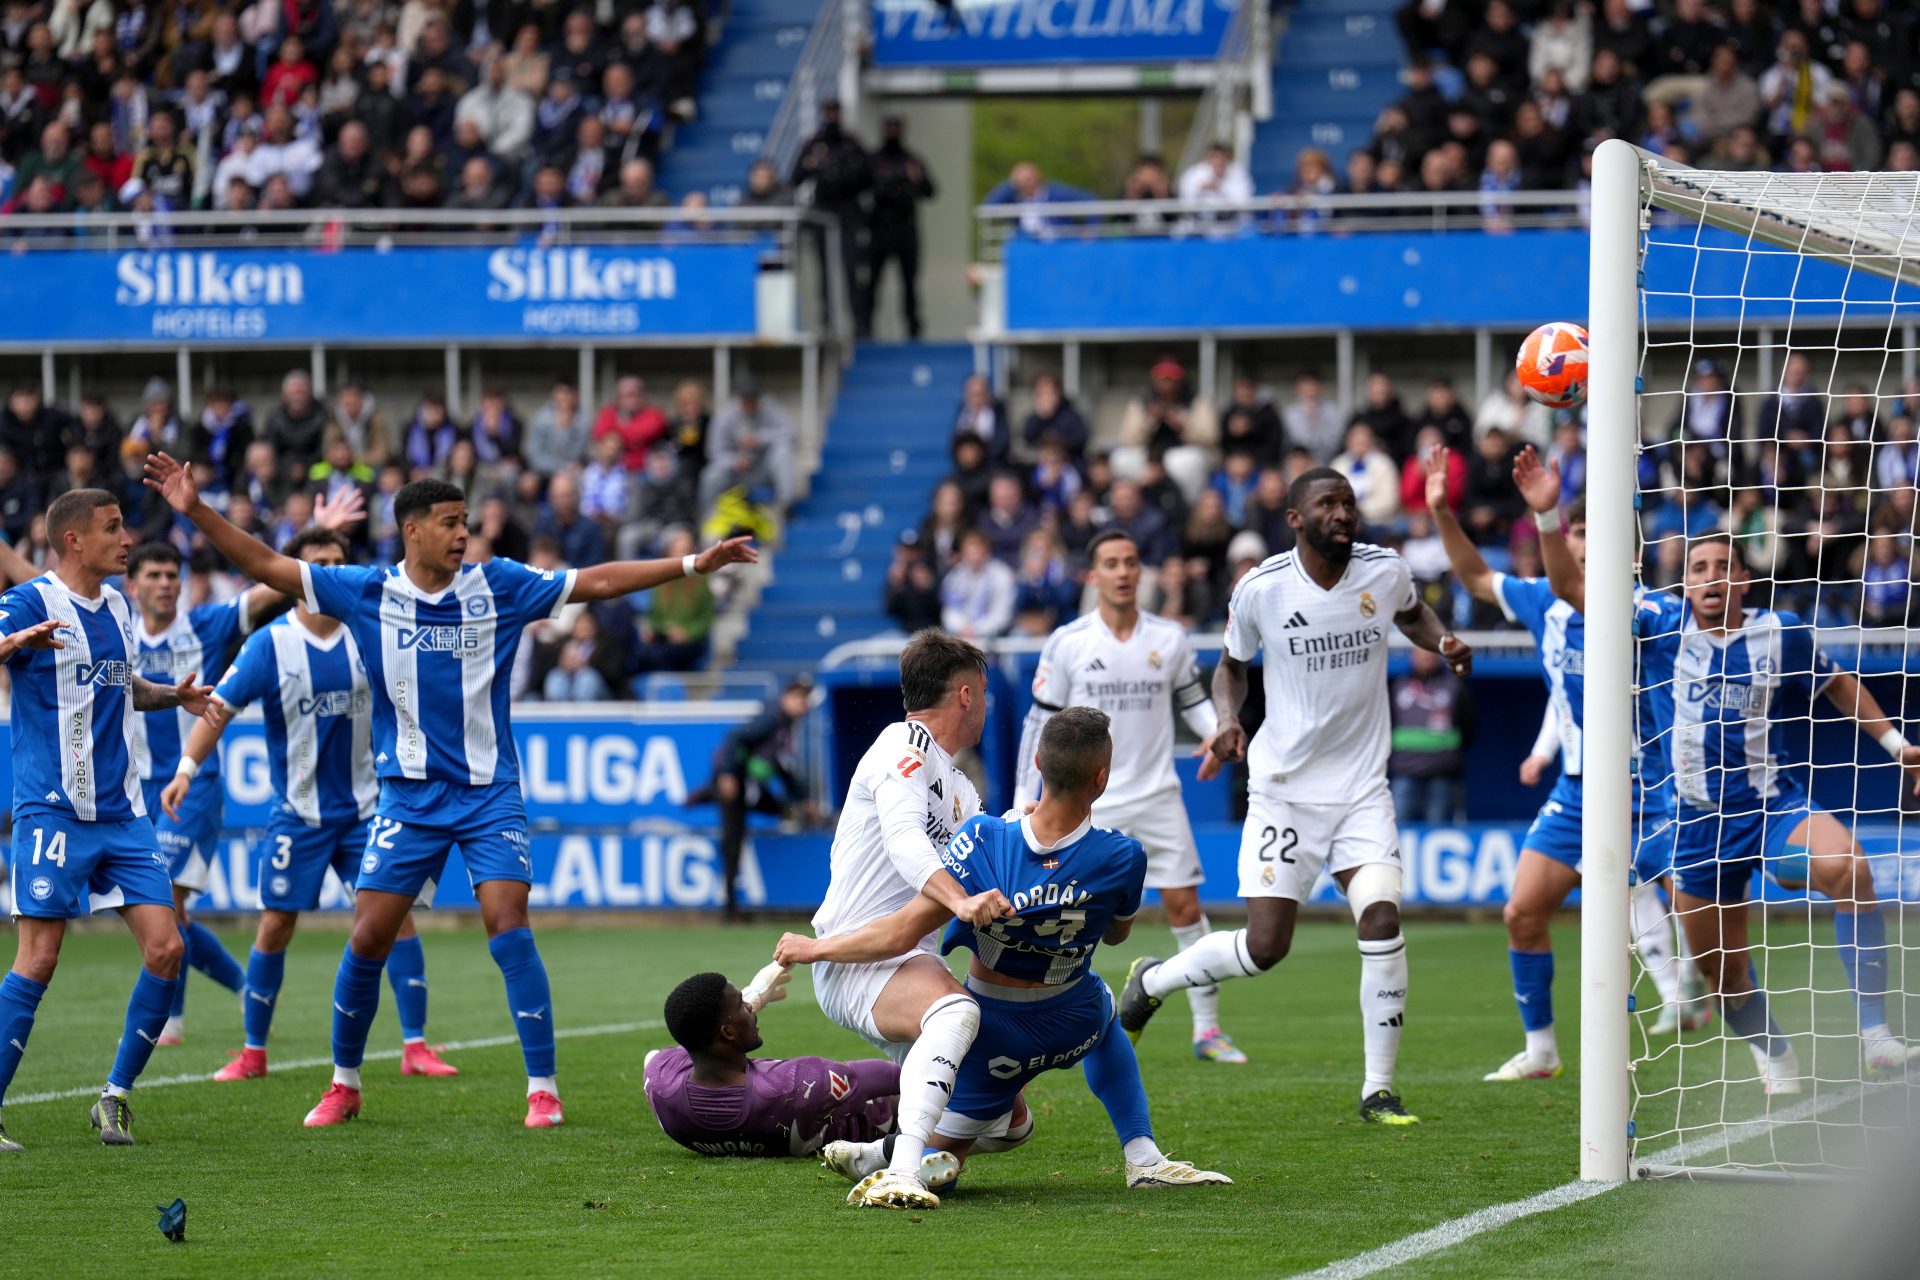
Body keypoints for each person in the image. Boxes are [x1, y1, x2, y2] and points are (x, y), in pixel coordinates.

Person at [141, 453, 758, 1130]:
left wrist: (694, 564)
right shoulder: (366, 591)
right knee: (369, 935)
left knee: (507, 924)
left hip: (489, 791)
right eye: (450, 523)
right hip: (407, 798)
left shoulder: (501, 585)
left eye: (466, 522)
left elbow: (598, 581)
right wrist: (194, 509)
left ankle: (543, 1088)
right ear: (413, 531)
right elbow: (266, 566)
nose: (464, 534)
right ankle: (344, 1083)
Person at [1117, 468, 1472, 1125]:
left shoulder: (1383, 570)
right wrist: (1227, 721)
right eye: (1327, 504)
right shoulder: (1262, 588)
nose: (1343, 512)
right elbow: (1230, 666)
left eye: (1348, 502)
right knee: (1265, 948)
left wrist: (1442, 639)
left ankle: (1378, 1089)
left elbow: (1414, 613)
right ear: (1297, 519)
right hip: (1284, 792)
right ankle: (1152, 981)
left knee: (1382, 917)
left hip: (1363, 788)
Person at [777, 707, 1232, 1196]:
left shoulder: (982, 841)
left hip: (994, 1038)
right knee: (1100, 1016)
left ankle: (882, 1155)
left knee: (946, 1162)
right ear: (1101, 779)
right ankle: (1143, 1156)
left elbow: (898, 934)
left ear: (1037, 762)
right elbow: (1118, 936)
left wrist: (816, 948)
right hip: (1074, 1020)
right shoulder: (1124, 856)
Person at [1543, 522, 1920, 1092]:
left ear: (1743, 578)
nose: (1712, 576)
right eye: (1699, 568)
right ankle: (1775, 1054)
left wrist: (1896, 745)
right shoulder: (1657, 624)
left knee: (1850, 867)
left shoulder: (1781, 635)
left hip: (1772, 813)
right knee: (1723, 974)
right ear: (1686, 585)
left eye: (1724, 565)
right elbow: (1572, 585)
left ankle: (1877, 1038)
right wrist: (1548, 519)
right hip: (1695, 830)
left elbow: (1837, 682)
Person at [1426, 449, 1698, 1081]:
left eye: (1587, 545)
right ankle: (1542, 1049)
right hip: (1578, 792)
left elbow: (1579, 588)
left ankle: (1766, 1047)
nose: (1575, 556)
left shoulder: (1651, 612)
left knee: (1709, 928)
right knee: (1522, 912)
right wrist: (1442, 512)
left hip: (1651, 790)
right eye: (1573, 542)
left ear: (1626, 558)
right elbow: (1471, 577)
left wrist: (1545, 518)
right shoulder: (1543, 603)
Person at [159, 528, 456, 1083]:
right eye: (318, 562)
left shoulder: (369, 635)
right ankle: (254, 1051)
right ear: (296, 572)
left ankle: (416, 1045)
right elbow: (217, 710)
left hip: (371, 811)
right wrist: (184, 770)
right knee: (275, 927)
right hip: (298, 814)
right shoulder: (270, 645)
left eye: (338, 561)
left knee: (396, 922)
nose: (330, 570)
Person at [0, 489, 212, 1150]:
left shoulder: (117, 605)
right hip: (53, 812)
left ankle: (113, 1100)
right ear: (72, 540)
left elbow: (126, 686)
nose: (127, 539)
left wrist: (170, 695)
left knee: (168, 946)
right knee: (37, 961)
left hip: (121, 815)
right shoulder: (33, 601)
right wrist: (10, 644)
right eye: (113, 529)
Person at [789, 629, 1015, 1209]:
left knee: (1005, 1120)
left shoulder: (964, 789)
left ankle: (874, 1154)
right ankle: (902, 1173)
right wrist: (961, 902)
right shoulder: (901, 746)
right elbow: (905, 840)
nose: (986, 706)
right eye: (984, 693)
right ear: (966, 696)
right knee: (956, 1010)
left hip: (907, 960)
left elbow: (988, 856)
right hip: (853, 958)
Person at [1015, 529, 1243, 1063]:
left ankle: (1207, 1030)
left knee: (1185, 906)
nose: (1122, 572)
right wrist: (1025, 795)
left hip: (1159, 793)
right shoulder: (1069, 643)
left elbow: (1192, 702)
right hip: (1093, 803)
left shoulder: (1170, 638)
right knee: (1065, 913)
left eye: (1131, 562)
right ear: (1093, 576)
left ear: (1141, 573)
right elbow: (1038, 726)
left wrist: (1216, 733)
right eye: (1111, 564)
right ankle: (1052, 1025)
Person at [642, 965, 936, 1164]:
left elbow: (682, 1040)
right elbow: (896, 1075)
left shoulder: (661, 1083)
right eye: (740, 1004)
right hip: (886, 1121)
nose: (749, 1007)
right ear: (727, 1033)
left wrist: (753, 999)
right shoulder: (797, 1084)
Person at [704, 677, 813, 921]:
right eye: (801, 699)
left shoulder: (785, 726)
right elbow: (735, 738)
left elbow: (785, 769)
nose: (804, 706)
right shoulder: (771, 719)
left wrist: (802, 798)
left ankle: (732, 908)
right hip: (736, 786)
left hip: (748, 788)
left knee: (780, 813)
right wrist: (728, 774)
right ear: (787, 696)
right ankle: (729, 910)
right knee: (732, 843)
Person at [790, 98, 870, 336]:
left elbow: (867, 178)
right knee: (824, 271)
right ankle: (826, 321)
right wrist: (813, 166)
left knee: (852, 270)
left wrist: (848, 172)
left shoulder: (852, 144)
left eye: (835, 112)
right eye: (828, 112)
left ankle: (860, 324)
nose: (832, 116)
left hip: (848, 212)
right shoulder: (814, 144)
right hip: (822, 213)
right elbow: (796, 177)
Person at [1387, 646, 1473, 826]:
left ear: (1439, 656)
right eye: (1420, 653)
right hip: (1405, 770)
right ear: (1412, 656)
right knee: (1396, 828)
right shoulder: (1398, 686)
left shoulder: (1453, 686)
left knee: (1438, 827)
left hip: (1442, 771)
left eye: (1429, 653)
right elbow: (1387, 724)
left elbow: (1469, 725)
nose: (1425, 657)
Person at [866, 116, 934, 339]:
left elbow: (930, 191)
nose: (893, 132)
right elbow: (860, 188)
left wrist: (917, 179)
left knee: (909, 283)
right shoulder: (873, 160)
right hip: (879, 227)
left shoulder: (911, 160)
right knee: (873, 282)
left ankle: (913, 329)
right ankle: (866, 328)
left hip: (905, 227)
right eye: (889, 128)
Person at [699, 379, 795, 511]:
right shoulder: (725, 416)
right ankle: (707, 517)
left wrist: (760, 438)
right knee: (711, 475)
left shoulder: (770, 409)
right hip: (734, 472)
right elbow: (713, 452)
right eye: (746, 399)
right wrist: (734, 462)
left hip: (762, 469)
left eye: (753, 399)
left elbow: (791, 434)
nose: (750, 404)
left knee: (783, 451)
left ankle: (786, 506)